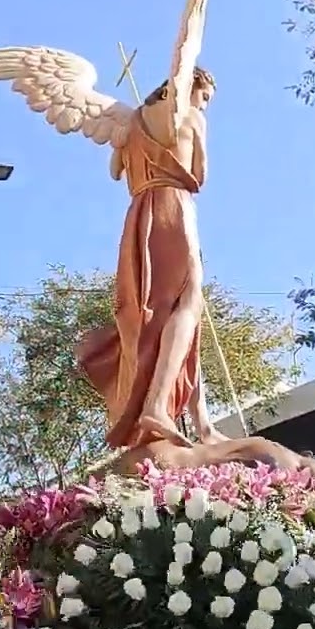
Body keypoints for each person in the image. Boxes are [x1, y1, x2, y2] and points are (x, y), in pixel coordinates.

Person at [77, 67, 227, 450]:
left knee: (165, 321)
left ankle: (201, 422)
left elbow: (115, 171)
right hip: (174, 208)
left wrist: (141, 132)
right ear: (190, 86)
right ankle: (161, 405)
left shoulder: (130, 124)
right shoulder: (192, 118)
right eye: (204, 95)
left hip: (139, 216)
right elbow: (200, 174)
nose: (204, 103)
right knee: (188, 305)